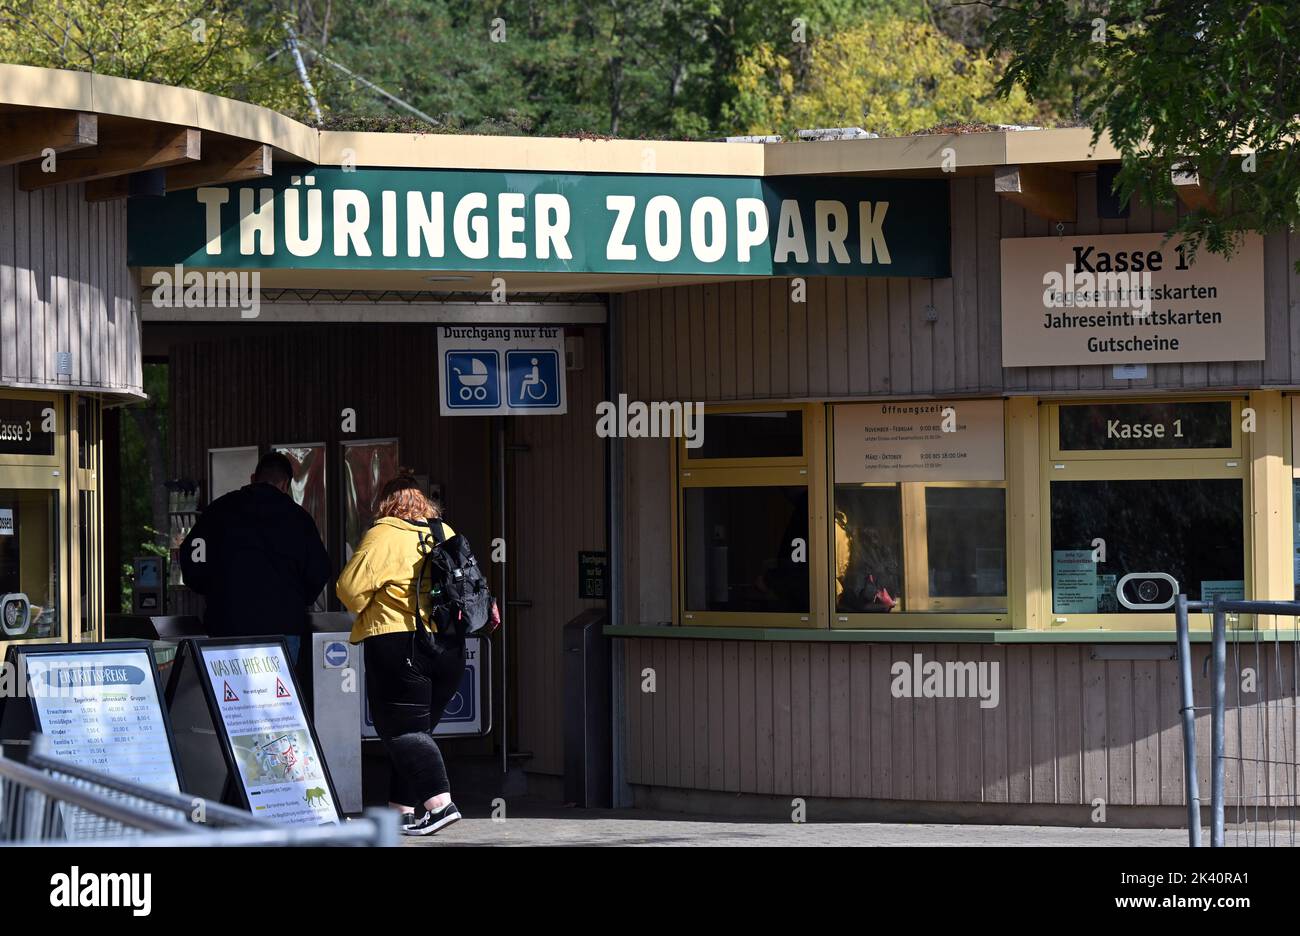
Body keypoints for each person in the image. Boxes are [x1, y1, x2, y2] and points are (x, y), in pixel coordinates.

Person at [336, 471, 465, 836]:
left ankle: (440, 805)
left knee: (402, 732)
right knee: (416, 733)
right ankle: (401, 813)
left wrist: (373, 604)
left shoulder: (384, 533)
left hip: (398, 643)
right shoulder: (444, 532)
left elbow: (348, 589)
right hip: (449, 649)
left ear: (386, 504)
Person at [180, 451, 330, 665]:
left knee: (227, 695)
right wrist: (295, 599)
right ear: (285, 484)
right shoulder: (298, 518)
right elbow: (319, 570)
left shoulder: (219, 511)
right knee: (279, 696)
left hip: (227, 625)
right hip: (282, 626)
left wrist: (214, 593)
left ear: (253, 478)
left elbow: (192, 559)